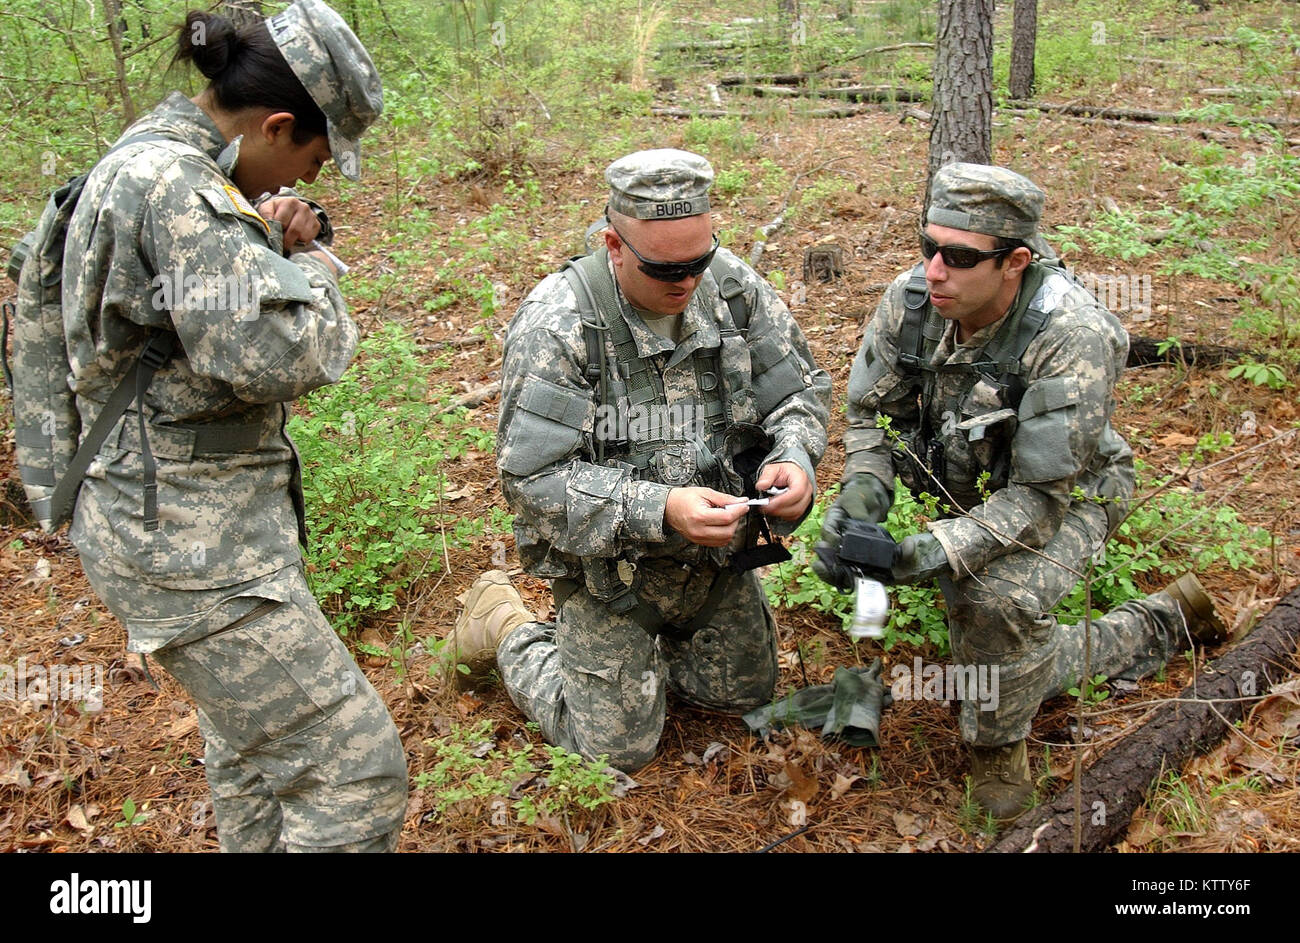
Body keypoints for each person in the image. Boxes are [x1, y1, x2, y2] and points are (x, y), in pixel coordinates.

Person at [60, 1, 406, 851]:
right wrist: (314, 267)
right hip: (190, 547)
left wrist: (262, 241)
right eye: (313, 158)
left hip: (179, 520)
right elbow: (280, 352)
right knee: (352, 772)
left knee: (256, 750)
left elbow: (189, 307)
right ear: (277, 124)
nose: (311, 181)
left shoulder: (156, 156)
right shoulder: (177, 187)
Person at [813, 162, 1227, 819]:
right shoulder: (913, 301)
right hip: (967, 476)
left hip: (1071, 490)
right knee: (995, 637)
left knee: (996, 602)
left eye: (958, 255)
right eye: (927, 247)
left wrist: (913, 556)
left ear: (1016, 262)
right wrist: (863, 501)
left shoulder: (1072, 335)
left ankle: (999, 752)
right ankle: (1167, 617)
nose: (934, 269)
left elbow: (1038, 500)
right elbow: (872, 417)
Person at [449, 149, 831, 772]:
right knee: (615, 753)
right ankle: (506, 625)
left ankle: (657, 654)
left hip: (716, 563)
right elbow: (532, 480)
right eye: (663, 267)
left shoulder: (732, 290)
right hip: (612, 576)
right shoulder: (560, 324)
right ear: (614, 245)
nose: (686, 282)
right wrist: (661, 507)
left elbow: (798, 391)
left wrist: (795, 458)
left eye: (699, 260)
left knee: (742, 699)